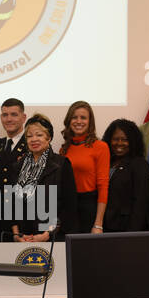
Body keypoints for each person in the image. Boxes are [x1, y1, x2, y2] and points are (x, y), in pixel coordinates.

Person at [9, 115, 78, 242]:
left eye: (39, 135)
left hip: (53, 238)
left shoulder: (62, 164)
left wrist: (47, 234)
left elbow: (69, 206)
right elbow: (11, 204)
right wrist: (16, 234)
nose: (33, 139)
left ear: (49, 137)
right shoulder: (18, 166)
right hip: (23, 238)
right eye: (29, 136)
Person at [60, 100, 110, 234]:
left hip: (89, 208)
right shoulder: (64, 149)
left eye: (83, 117)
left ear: (90, 122)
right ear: (69, 121)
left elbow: (103, 186)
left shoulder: (100, 147)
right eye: (74, 117)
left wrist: (98, 224)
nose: (78, 121)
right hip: (68, 207)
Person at [0, 98, 26, 240]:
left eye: (14, 114)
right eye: (5, 115)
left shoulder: (32, 143)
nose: (9, 119)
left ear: (23, 117)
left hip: (24, 214)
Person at [102, 118, 149, 233]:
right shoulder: (106, 162)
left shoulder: (140, 164)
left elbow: (140, 203)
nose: (119, 143)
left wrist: (131, 234)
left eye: (124, 140)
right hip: (106, 227)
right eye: (115, 139)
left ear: (133, 141)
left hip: (127, 230)